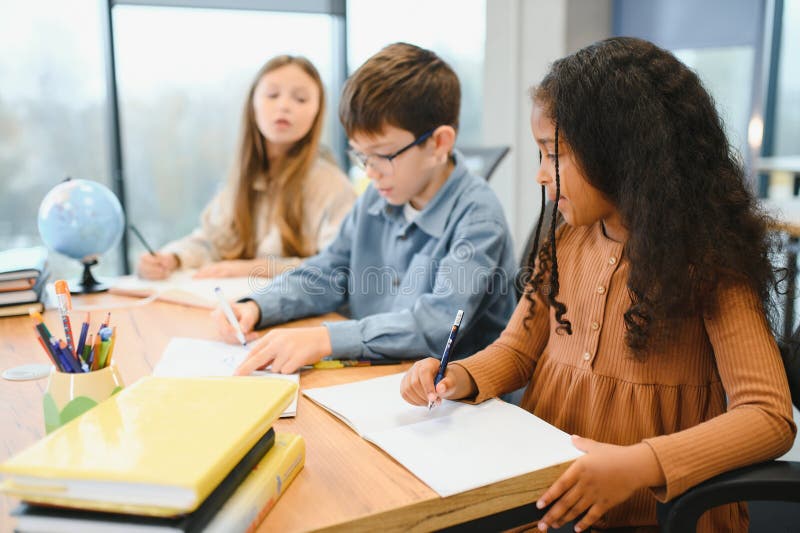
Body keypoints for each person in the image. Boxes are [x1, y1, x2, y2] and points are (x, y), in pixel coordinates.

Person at [400, 37, 796, 532]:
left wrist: (639, 465)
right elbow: (519, 350)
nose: (542, 176)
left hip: (658, 516)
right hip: (546, 500)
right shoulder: (563, 240)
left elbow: (768, 417)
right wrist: (460, 375)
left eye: (553, 155)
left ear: (621, 153)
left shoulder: (709, 260)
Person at [215, 42, 517, 374]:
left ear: (439, 143)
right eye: (361, 156)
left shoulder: (478, 216)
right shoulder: (379, 195)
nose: (370, 172)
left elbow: (436, 326)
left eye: (383, 155)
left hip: (452, 401)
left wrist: (325, 339)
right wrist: (258, 306)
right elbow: (328, 272)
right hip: (375, 377)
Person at [137, 55, 356, 280]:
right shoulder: (243, 180)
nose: (284, 106)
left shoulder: (332, 186)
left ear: (317, 112)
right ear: (253, 104)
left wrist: (253, 268)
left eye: (300, 99)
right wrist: (172, 258)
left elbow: (338, 267)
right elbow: (212, 242)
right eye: (272, 95)